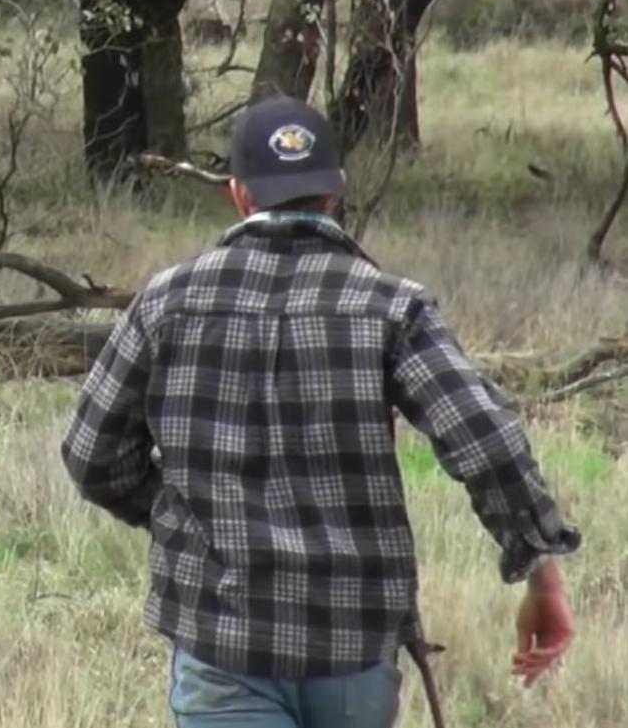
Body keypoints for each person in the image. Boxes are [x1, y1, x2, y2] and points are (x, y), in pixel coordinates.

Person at [58, 95, 582, 728]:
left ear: (238, 194)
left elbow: (90, 457)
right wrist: (540, 572)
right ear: (334, 193)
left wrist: (181, 515)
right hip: (352, 653)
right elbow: (487, 442)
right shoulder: (391, 307)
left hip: (222, 646)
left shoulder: (166, 300)